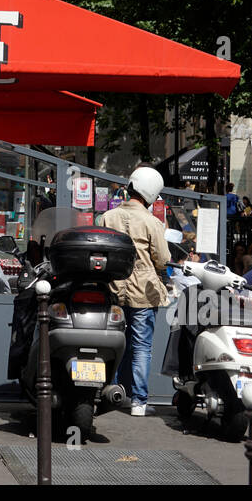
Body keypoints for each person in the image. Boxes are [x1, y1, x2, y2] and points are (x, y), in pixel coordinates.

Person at [98, 166, 170, 417]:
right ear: (151, 194)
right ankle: (139, 401)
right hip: (143, 292)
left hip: (113, 290)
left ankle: (112, 392)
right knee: (141, 347)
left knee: (113, 344)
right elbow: (162, 259)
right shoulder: (152, 222)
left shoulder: (107, 217)